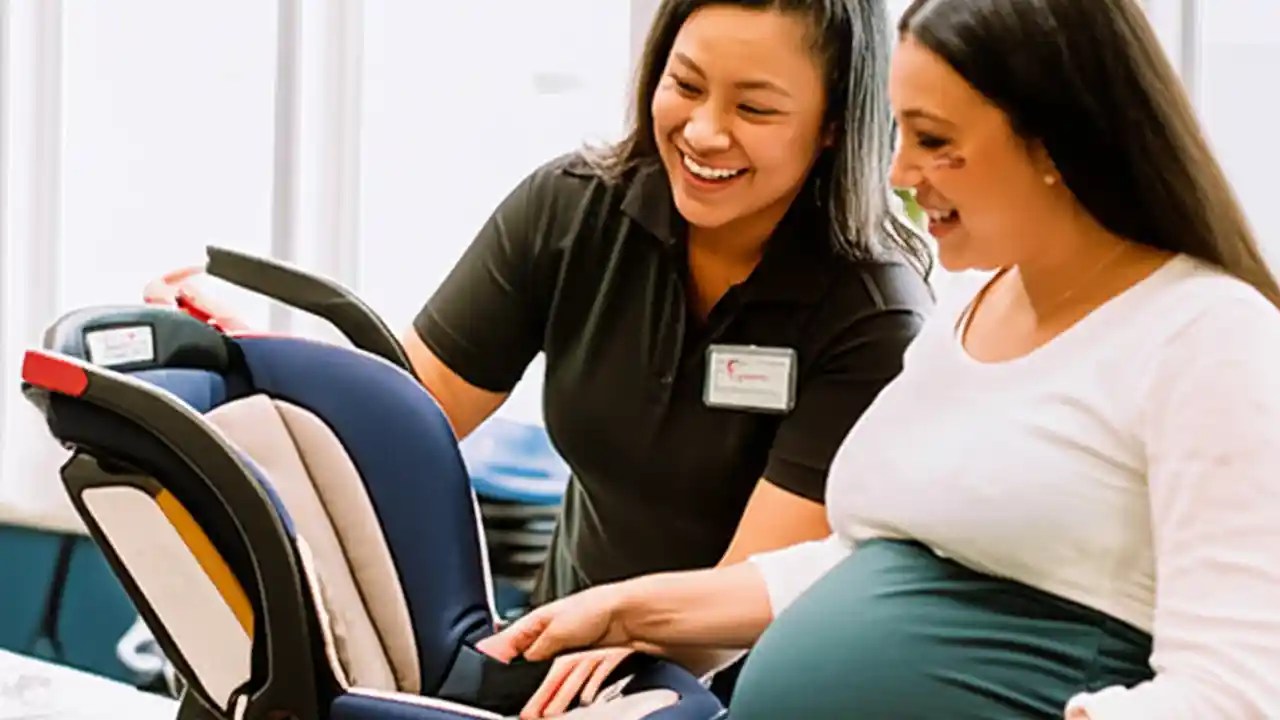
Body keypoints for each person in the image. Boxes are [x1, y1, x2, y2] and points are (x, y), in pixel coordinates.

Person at [475, 0, 1280, 717]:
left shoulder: (1208, 338)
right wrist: (627, 611)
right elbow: (852, 565)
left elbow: (1235, 690)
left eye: (934, 141)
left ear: (1052, 145)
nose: (898, 173)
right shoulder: (974, 311)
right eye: (900, 133)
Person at [143, 0, 934, 715]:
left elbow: (750, 593)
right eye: (685, 84)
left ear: (834, 125)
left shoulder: (871, 313)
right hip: (564, 656)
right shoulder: (573, 211)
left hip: (741, 685)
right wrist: (271, 367)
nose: (702, 132)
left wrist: (618, 650)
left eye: (753, 107)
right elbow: (402, 425)